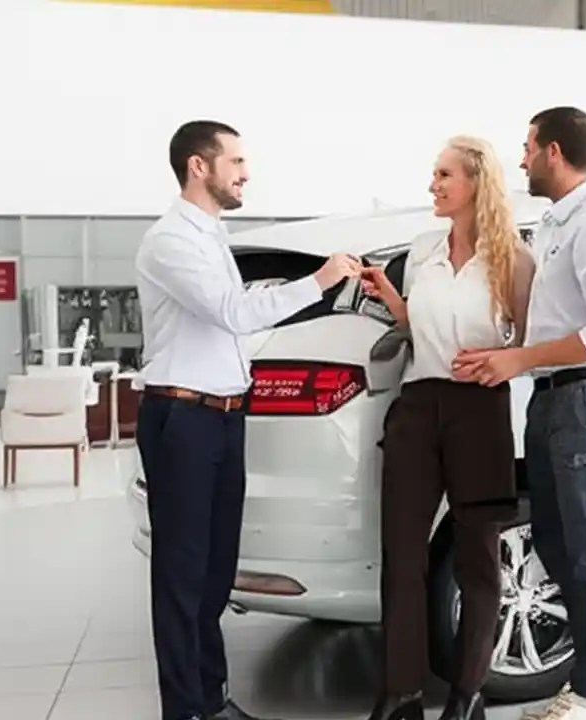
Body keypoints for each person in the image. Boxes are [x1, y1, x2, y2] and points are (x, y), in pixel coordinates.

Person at [135, 120, 361, 720]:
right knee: (183, 577)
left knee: (214, 574)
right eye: (235, 160)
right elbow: (232, 312)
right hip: (182, 418)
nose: (246, 171)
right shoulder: (169, 241)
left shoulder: (211, 236)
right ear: (198, 166)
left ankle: (212, 699)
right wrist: (317, 281)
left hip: (224, 417)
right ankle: (186, 710)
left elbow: (237, 322)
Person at [452, 107, 586, 720]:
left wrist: (521, 357)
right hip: (551, 397)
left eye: (528, 147)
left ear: (554, 151)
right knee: (556, 545)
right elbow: (547, 317)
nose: (523, 157)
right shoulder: (554, 225)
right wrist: (508, 357)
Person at [361, 135, 536, 720]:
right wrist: (392, 300)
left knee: (477, 557)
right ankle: (401, 691)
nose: (433, 184)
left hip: (480, 411)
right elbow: (423, 327)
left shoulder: (514, 259)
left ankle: (468, 690)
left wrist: (498, 359)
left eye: (444, 174)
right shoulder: (422, 251)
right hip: (417, 404)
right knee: (402, 553)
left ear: (476, 183)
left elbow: (525, 344)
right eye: (434, 174)